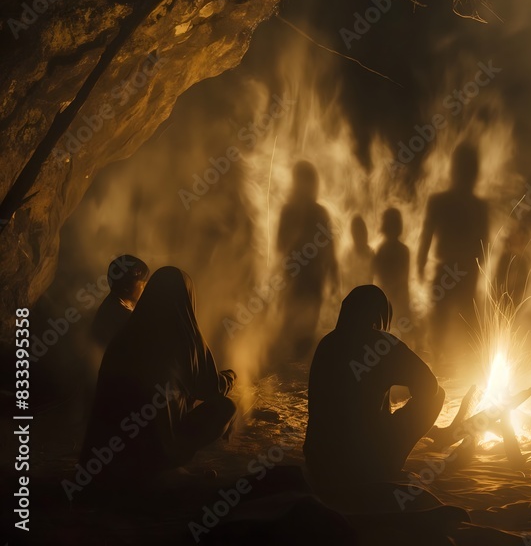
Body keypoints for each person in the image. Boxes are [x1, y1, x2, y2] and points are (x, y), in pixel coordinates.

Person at [78, 267, 237, 494]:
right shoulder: (187, 337)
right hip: (153, 452)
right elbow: (212, 389)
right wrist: (231, 377)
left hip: (105, 455)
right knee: (226, 407)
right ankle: (162, 468)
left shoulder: (126, 333)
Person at [304, 285, 444, 493]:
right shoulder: (382, 344)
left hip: (318, 463)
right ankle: (387, 464)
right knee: (437, 395)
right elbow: (429, 385)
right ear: (381, 316)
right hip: (365, 464)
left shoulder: (327, 343)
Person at [416, 142, 489, 375]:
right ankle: (442, 363)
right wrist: (420, 261)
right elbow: (427, 232)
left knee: (463, 320)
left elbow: (483, 243)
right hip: (454, 268)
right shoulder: (443, 201)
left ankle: (460, 366)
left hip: (460, 269)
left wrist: (421, 261)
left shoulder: (476, 206)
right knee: (444, 318)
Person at [276, 160, 339, 362]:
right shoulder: (288, 211)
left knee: (308, 326)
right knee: (291, 323)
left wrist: (334, 275)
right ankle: (290, 364)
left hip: (312, 277)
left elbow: (329, 246)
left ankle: (303, 365)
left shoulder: (320, 212)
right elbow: (280, 245)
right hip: (294, 276)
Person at [90, 255, 150, 352]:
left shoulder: (114, 303)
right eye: (142, 284)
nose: (144, 288)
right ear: (128, 284)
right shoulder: (120, 314)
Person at [373, 208, 412, 326]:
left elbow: (403, 277)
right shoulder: (381, 250)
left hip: (395, 298)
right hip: (391, 298)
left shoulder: (382, 250)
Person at [343, 214, 375, 292]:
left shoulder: (371, 254)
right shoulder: (347, 254)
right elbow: (344, 280)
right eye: (355, 232)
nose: (358, 236)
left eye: (360, 232)